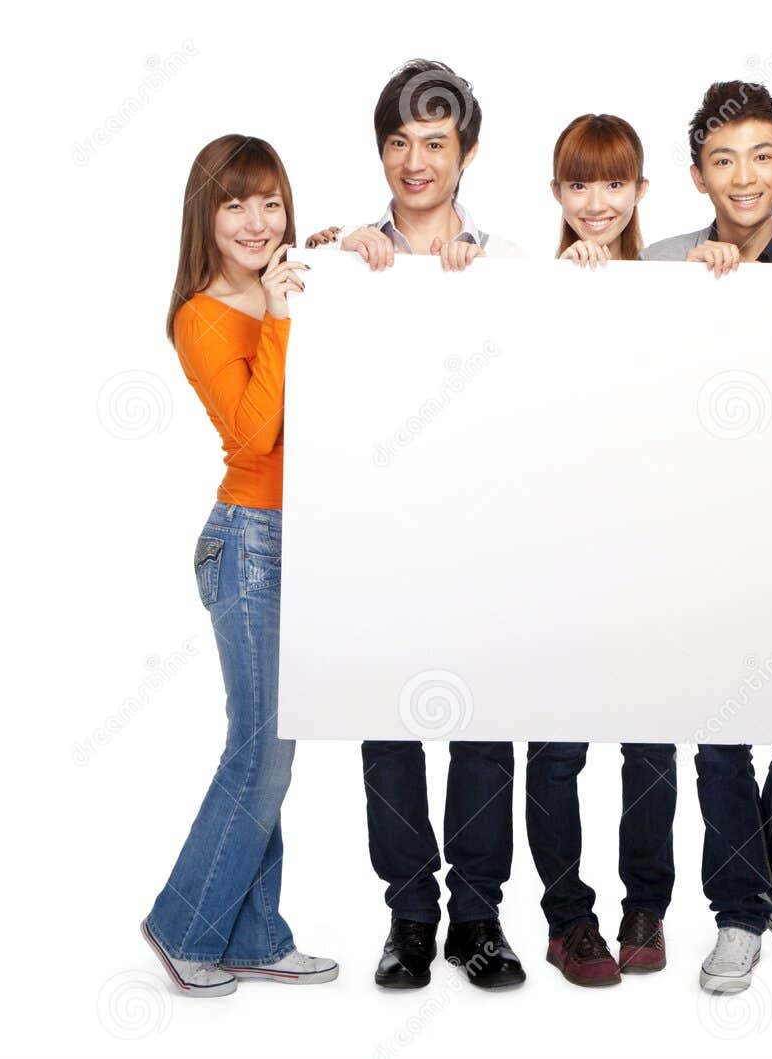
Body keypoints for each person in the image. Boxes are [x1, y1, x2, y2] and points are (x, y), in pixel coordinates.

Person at [309, 60, 527, 991]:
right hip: (380, 533)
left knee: (484, 723)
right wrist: (334, 265)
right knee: (387, 722)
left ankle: (477, 915)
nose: (415, 161)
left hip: (483, 532)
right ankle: (409, 915)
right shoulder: (347, 263)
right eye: (398, 142)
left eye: (435, 142)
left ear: (466, 152)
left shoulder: (510, 264)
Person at [642, 82, 772, 994]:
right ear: (697, 176)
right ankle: (736, 913)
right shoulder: (664, 264)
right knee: (717, 733)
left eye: (763, 156)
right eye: (723, 160)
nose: (744, 176)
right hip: (701, 544)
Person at [141, 134, 336, 996]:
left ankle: (254, 934)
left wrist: (338, 268)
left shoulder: (295, 286)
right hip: (249, 541)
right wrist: (283, 317)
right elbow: (255, 435)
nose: (257, 223)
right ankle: (184, 924)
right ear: (206, 217)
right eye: (235, 205)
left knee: (272, 749)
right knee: (261, 750)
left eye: (270, 203)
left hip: (313, 537)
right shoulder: (201, 315)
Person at [521, 114, 675, 988]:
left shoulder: (673, 285)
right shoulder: (529, 289)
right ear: (557, 193)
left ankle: (646, 905)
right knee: (558, 748)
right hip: (557, 558)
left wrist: (708, 274)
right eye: (578, 184)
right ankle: (568, 919)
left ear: (640, 190)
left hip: (650, 555)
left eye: (614, 183)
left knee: (652, 743)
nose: (596, 202)